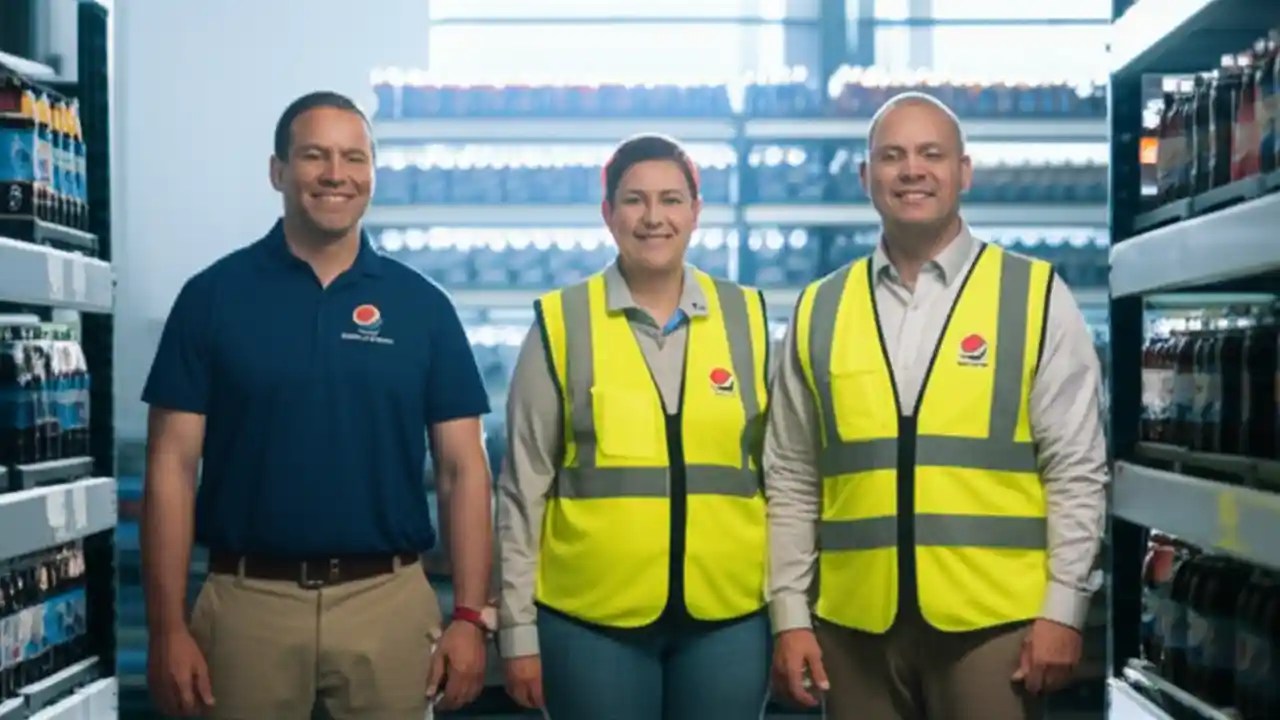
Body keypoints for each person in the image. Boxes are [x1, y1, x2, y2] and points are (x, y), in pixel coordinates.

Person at [140, 90, 494, 720]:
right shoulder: (212, 298)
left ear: (372, 174)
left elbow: (463, 470)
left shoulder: (423, 308)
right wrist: (167, 627)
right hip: (248, 603)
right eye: (315, 155)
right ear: (278, 171)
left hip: (388, 601)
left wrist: (470, 614)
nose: (336, 174)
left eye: (354, 158)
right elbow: (170, 469)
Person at [765, 92, 1108, 720]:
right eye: (891, 156)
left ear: (963, 171)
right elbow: (790, 478)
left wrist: (1065, 607)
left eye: (931, 154)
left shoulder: (1034, 296)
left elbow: (1077, 469)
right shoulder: (820, 308)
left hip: (994, 626)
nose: (912, 170)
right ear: (867, 176)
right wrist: (789, 615)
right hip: (851, 627)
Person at [496, 133, 773, 719]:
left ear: (696, 212)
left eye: (671, 200)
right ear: (607, 213)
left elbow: (783, 479)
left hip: (730, 616)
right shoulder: (562, 322)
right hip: (591, 623)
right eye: (634, 200)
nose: (653, 218)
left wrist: (791, 610)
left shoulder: (748, 319)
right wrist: (517, 630)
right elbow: (522, 492)